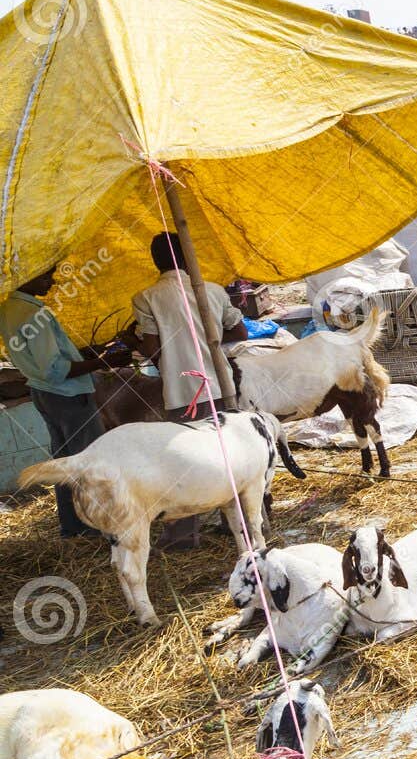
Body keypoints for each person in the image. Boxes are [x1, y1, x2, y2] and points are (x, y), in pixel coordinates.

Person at [133, 232, 248, 547]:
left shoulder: (146, 297)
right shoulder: (211, 290)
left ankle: (183, 537)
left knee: (184, 462)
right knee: (231, 454)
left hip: (182, 391)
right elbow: (240, 331)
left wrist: (138, 344)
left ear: (155, 261)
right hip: (221, 385)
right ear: (187, 257)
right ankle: (240, 524)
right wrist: (206, 343)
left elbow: (152, 349)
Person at [1, 264, 133, 537]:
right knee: (90, 458)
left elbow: (53, 359)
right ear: (29, 274)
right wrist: (103, 362)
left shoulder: (8, 309)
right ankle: (100, 525)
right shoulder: (32, 313)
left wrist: (96, 352)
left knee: (64, 461)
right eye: (47, 274)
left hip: (43, 393)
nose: (52, 281)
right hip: (67, 395)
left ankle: (72, 526)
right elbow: (56, 369)